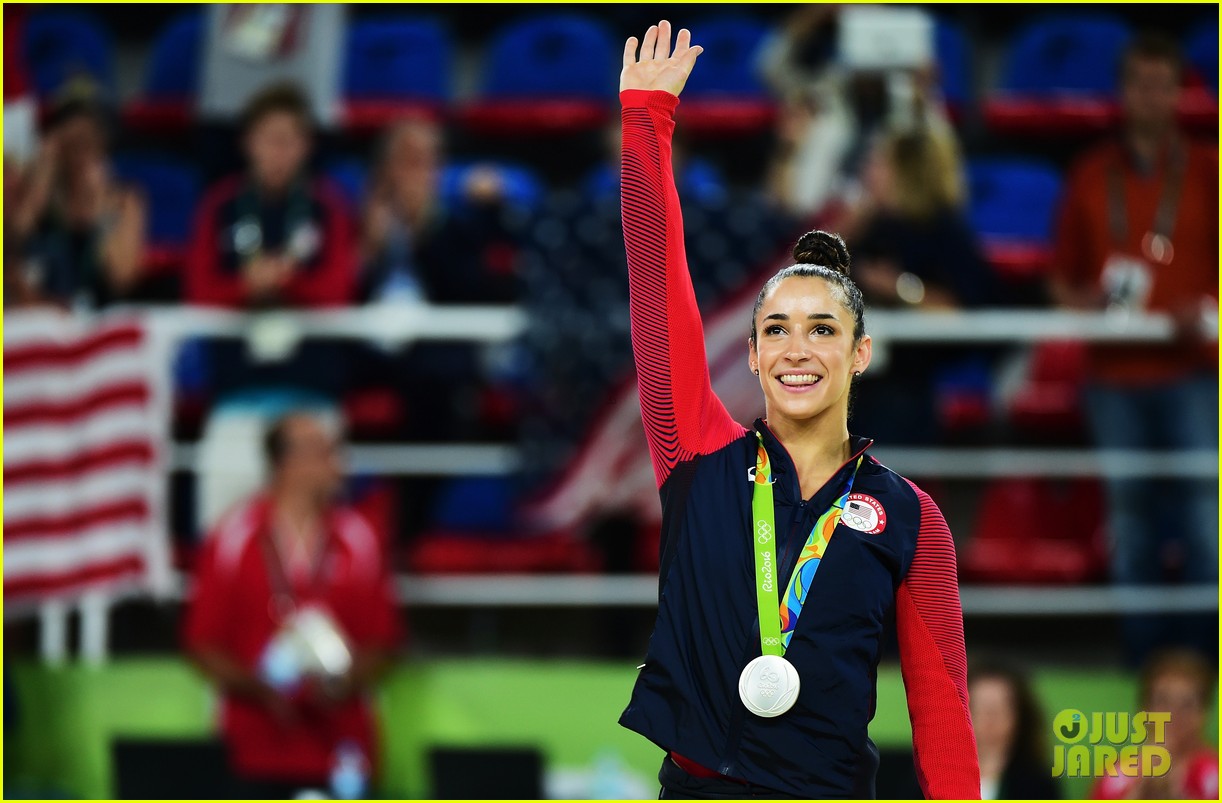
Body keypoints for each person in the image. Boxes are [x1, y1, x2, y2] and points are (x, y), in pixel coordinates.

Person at [616, 21, 978, 798]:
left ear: (860, 353)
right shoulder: (696, 454)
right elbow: (656, 286)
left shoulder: (910, 517)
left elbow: (943, 710)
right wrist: (646, 120)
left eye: (823, 329)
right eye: (775, 329)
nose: (796, 348)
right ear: (751, 356)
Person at [1048, 33, 1218, 665]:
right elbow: (1061, 280)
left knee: (1206, 519)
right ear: (1123, 91)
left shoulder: (1208, 167)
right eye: (1139, 83)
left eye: (1162, 83)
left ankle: (1203, 664)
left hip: (1194, 371)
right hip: (1114, 376)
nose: (1150, 96)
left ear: (1180, 91)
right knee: (1133, 520)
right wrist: (1084, 307)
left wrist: (1205, 310)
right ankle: (1144, 661)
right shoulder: (1092, 174)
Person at [183, 411, 401, 797]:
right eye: (325, 451)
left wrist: (342, 683)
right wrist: (261, 689)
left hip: (340, 749)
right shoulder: (232, 537)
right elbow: (203, 643)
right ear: (288, 462)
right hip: (252, 751)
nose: (339, 463)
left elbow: (383, 640)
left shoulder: (360, 539)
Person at [186, 81, 356, 308]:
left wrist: (286, 280)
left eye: (288, 141)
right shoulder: (219, 202)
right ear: (248, 143)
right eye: (270, 139)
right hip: (230, 338)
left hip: (311, 339)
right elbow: (198, 290)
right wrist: (246, 285)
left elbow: (340, 291)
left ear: (307, 146)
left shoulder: (330, 203)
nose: (279, 152)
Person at [7, 81, 148, 308]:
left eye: (88, 144)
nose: (80, 157)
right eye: (72, 146)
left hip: (102, 319)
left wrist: (101, 211)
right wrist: (43, 177)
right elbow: (16, 239)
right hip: (41, 314)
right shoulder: (37, 197)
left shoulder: (125, 200)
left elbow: (121, 277)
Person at [359, 117, 519, 304]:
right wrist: (368, 250)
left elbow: (462, 293)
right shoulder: (357, 214)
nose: (421, 174)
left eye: (431, 163)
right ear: (385, 166)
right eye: (411, 161)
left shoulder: (459, 223)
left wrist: (424, 234)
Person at [1092, 648, 1218, 799]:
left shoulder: (1216, 772)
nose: (1173, 714)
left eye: (1187, 704)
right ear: (1144, 709)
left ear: (1204, 713)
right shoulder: (1117, 773)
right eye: (1162, 701)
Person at [969, 662, 1060, 800]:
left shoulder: (1038, 785)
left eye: (1001, 708)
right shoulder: (934, 779)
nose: (990, 719)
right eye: (979, 707)